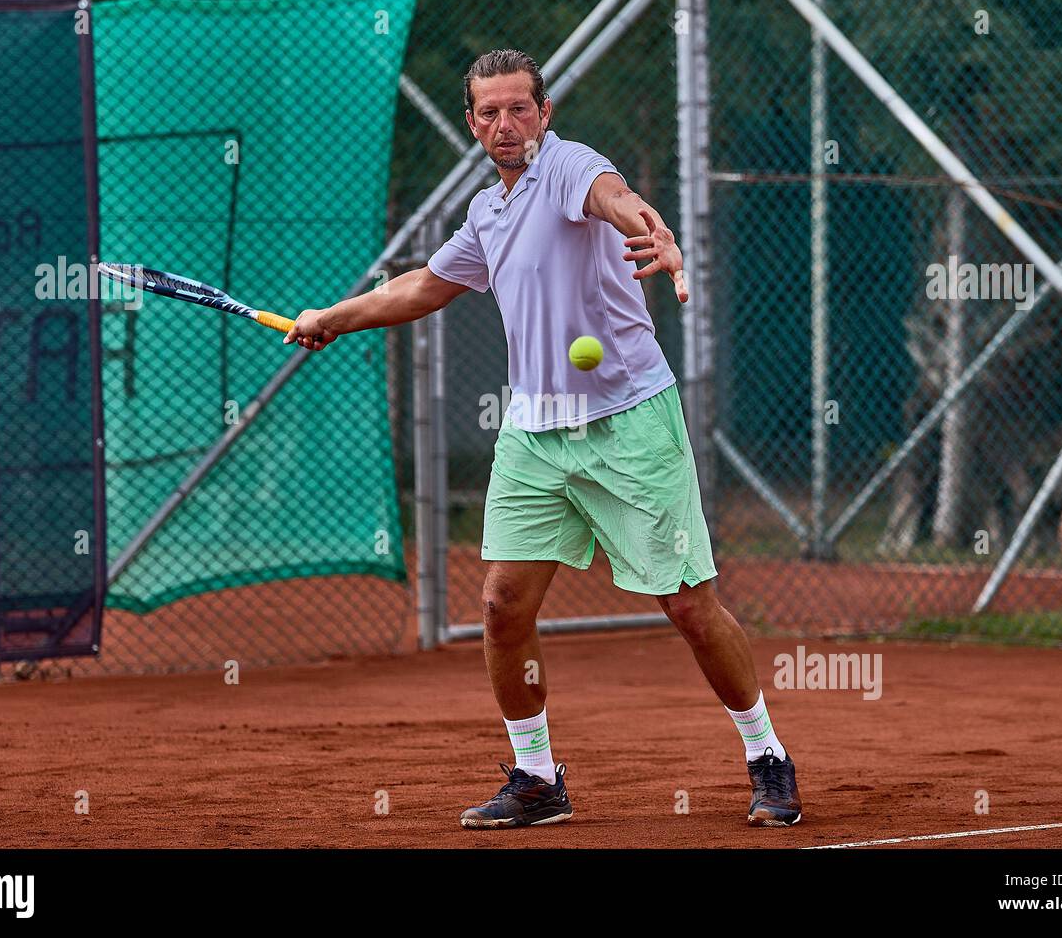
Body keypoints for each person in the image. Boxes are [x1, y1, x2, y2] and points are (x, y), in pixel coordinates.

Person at [285, 49, 802, 830]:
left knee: (689, 606)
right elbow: (423, 285)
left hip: (630, 421)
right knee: (500, 607)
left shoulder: (569, 169)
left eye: (519, 109)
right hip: (533, 432)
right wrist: (332, 315)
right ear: (472, 124)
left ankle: (767, 757)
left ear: (544, 112)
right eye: (489, 113)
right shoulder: (487, 214)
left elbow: (617, 199)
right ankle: (536, 777)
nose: (505, 125)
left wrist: (655, 234)